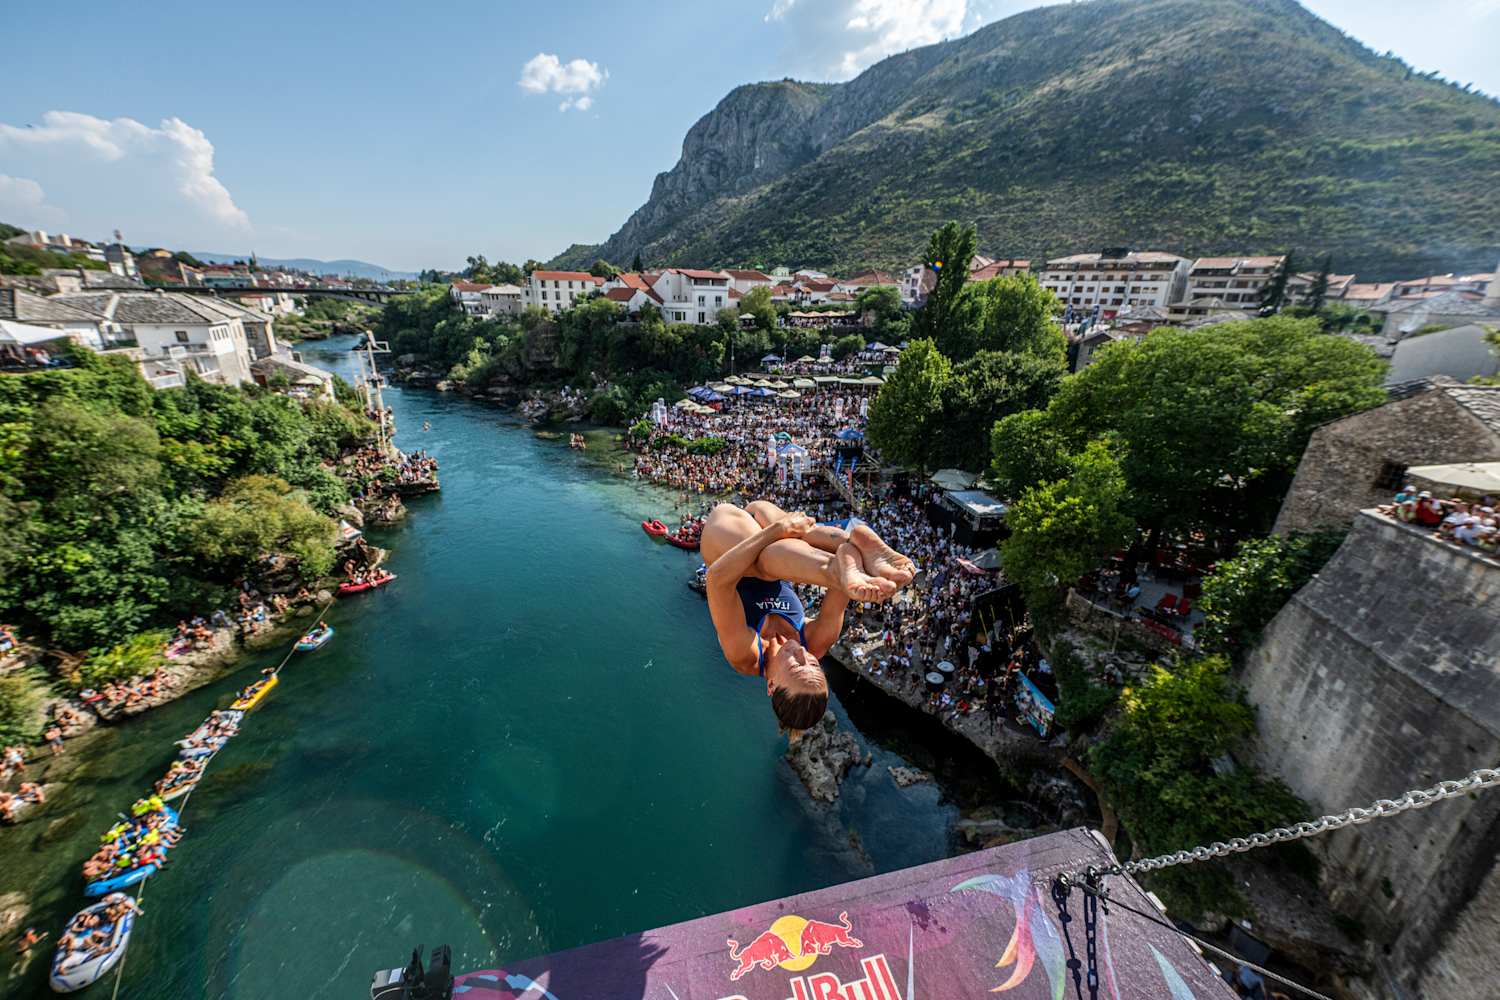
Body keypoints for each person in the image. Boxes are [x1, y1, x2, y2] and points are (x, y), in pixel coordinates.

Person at [700, 501, 914, 738]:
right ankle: (856, 552)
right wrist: (855, 582)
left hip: (723, 540)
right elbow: (842, 594)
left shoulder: (744, 654)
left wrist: (777, 530)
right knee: (803, 543)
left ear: (771, 686)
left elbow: (717, 579)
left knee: (764, 564)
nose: (804, 654)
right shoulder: (817, 642)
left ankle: (848, 555)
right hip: (762, 517)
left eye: (796, 667)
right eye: (813, 664)